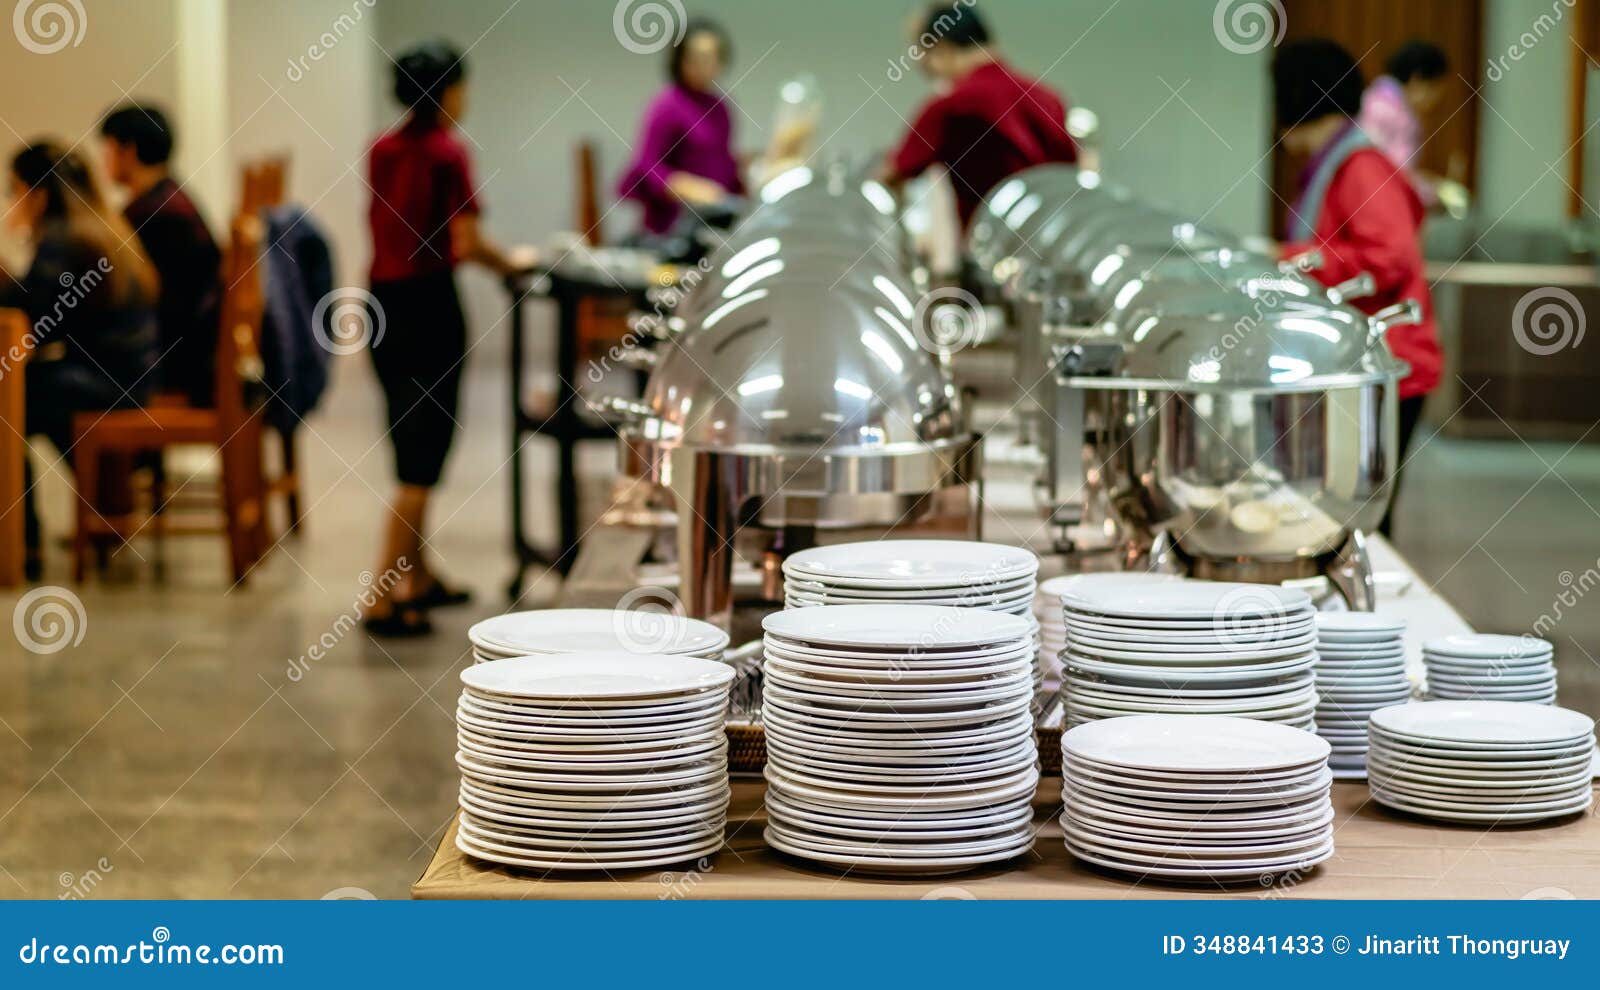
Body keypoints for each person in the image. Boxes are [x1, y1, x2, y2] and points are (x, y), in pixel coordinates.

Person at [363, 40, 535, 636]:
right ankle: (382, 594)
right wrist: (513, 261)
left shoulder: (382, 149)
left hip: (381, 306)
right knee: (423, 456)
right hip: (429, 309)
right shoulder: (446, 154)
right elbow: (466, 243)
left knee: (407, 439)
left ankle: (419, 570)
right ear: (446, 92)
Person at [1274, 39, 1443, 538]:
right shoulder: (1340, 164)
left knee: (1361, 515)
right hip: (1368, 362)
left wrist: (1292, 261)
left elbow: (1390, 258)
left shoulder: (1360, 167)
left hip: (1390, 360)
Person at [0, 142, 159, 578]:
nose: (11, 203)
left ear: (38, 194)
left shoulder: (63, 241)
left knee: (7, 405)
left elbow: (32, 318)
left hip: (107, 382)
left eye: (14, 191)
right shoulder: (101, 227)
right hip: (130, 374)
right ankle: (104, 506)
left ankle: (18, 544)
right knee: (25, 391)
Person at [879, 3, 1077, 229]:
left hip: (992, 249)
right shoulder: (1048, 98)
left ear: (942, 50)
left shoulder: (951, 106)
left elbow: (890, 177)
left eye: (925, 59)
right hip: (1056, 240)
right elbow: (1071, 171)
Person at [99, 103, 223, 407]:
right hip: (191, 357)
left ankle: (118, 453)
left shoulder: (152, 215)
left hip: (174, 367)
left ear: (127, 151)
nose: (104, 160)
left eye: (108, 149)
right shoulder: (170, 198)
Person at [617, 18, 744, 238]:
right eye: (695, 58)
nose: (703, 66)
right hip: (670, 228)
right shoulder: (667, 105)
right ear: (680, 61)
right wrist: (687, 187)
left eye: (711, 58)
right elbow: (647, 165)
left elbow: (723, 161)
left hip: (712, 223)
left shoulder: (721, 107)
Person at [1359, 40, 1450, 207]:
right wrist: (1436, 193)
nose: (1436, 100)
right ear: (1417, 80)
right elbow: (1396, 177)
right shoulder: (1398, 117)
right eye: (1435, 90)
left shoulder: (1370, 99)